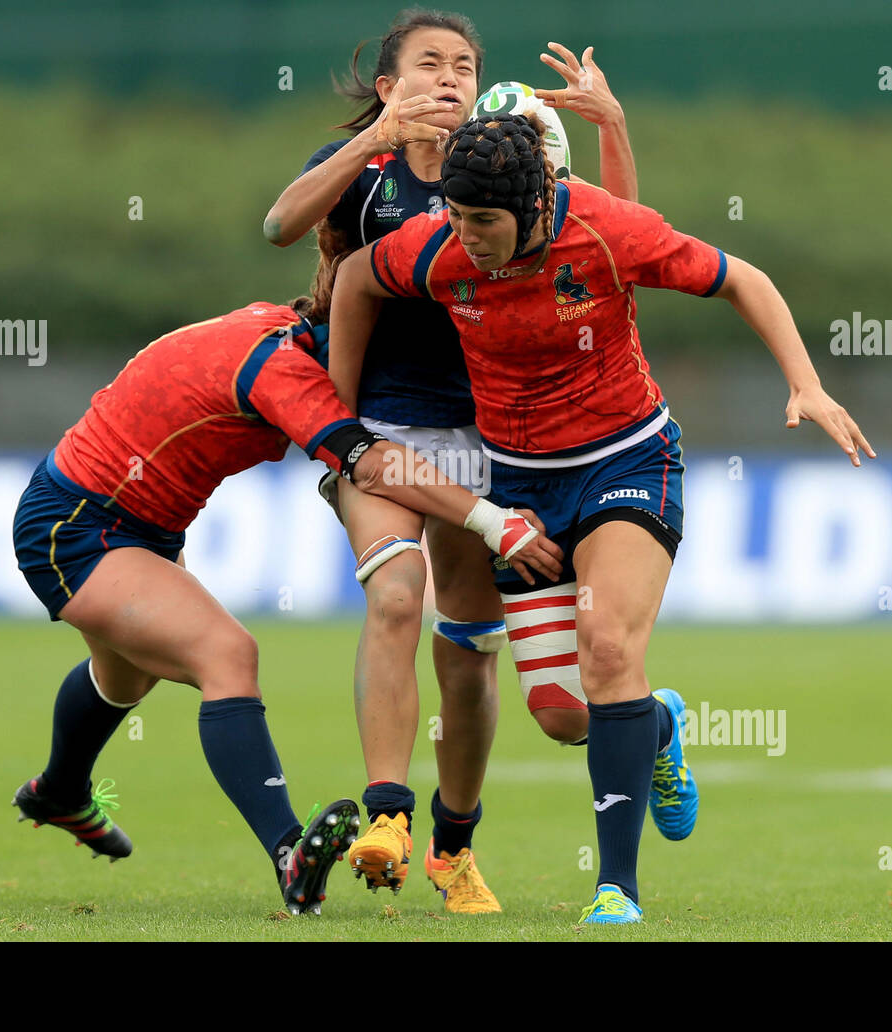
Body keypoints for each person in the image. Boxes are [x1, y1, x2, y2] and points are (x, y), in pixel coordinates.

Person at [328, 113, 876, 923]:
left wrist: (805, 383)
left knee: (609, 647)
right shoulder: (438, 247)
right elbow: (356, 281)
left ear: (535, 206)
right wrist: (344, 417)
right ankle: (657, 726)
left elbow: (741, 278)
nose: (465, 236)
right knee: (560, 716)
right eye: (454, 214)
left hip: (626, 465)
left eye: (483, 222)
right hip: (521, 490)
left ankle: (616, 888)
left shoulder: (607, 231)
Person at [9, 295, 561, 916]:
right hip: (76, 526)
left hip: (136, 521)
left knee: (125, 675)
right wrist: (493, 521)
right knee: (226, 656)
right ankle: (288, 854)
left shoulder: (281, 327)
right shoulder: (283, 372)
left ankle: (58, 790)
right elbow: (373, 463)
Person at [264, 7, 639, 913]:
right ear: (390, 86)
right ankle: (386, 812)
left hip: (492, 441)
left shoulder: (503, 165)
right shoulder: (365, 170)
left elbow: (620, 232)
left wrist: (611, 126)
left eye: (464, 65)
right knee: (395, 597)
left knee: (469, 659)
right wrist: (337, 434)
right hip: (385, 432)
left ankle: (452, 845)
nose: (449, 77)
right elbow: (280, 226)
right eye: (428, 64)